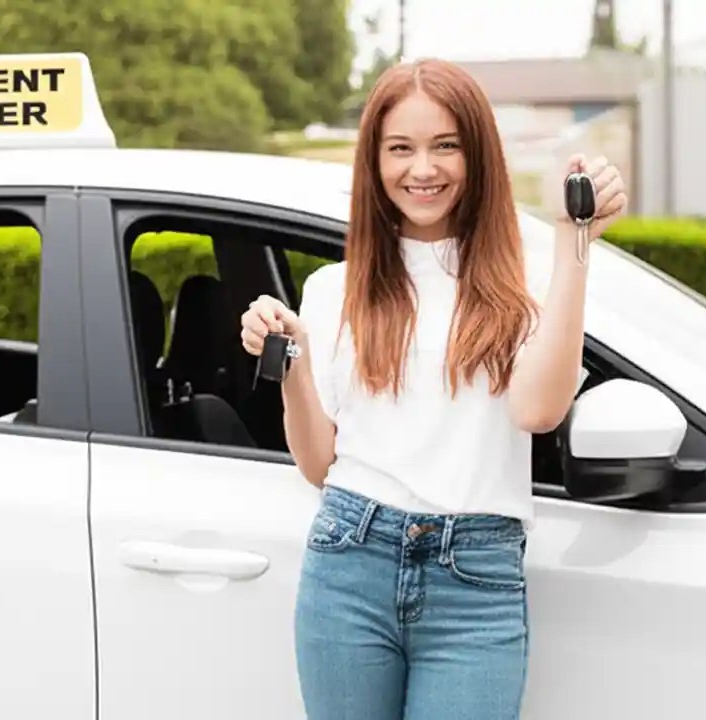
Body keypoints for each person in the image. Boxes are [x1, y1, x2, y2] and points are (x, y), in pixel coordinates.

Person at [239, 58, 626, 720]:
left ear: (477, 156)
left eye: (445, 145)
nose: (423, 169)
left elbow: (537, 410)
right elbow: (317, 465)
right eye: (401, 149)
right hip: (348, 560)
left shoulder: (527, 284)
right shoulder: (334, 288)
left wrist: (575, 242)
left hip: (475, 579)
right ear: (375, 162)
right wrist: (294, 362)